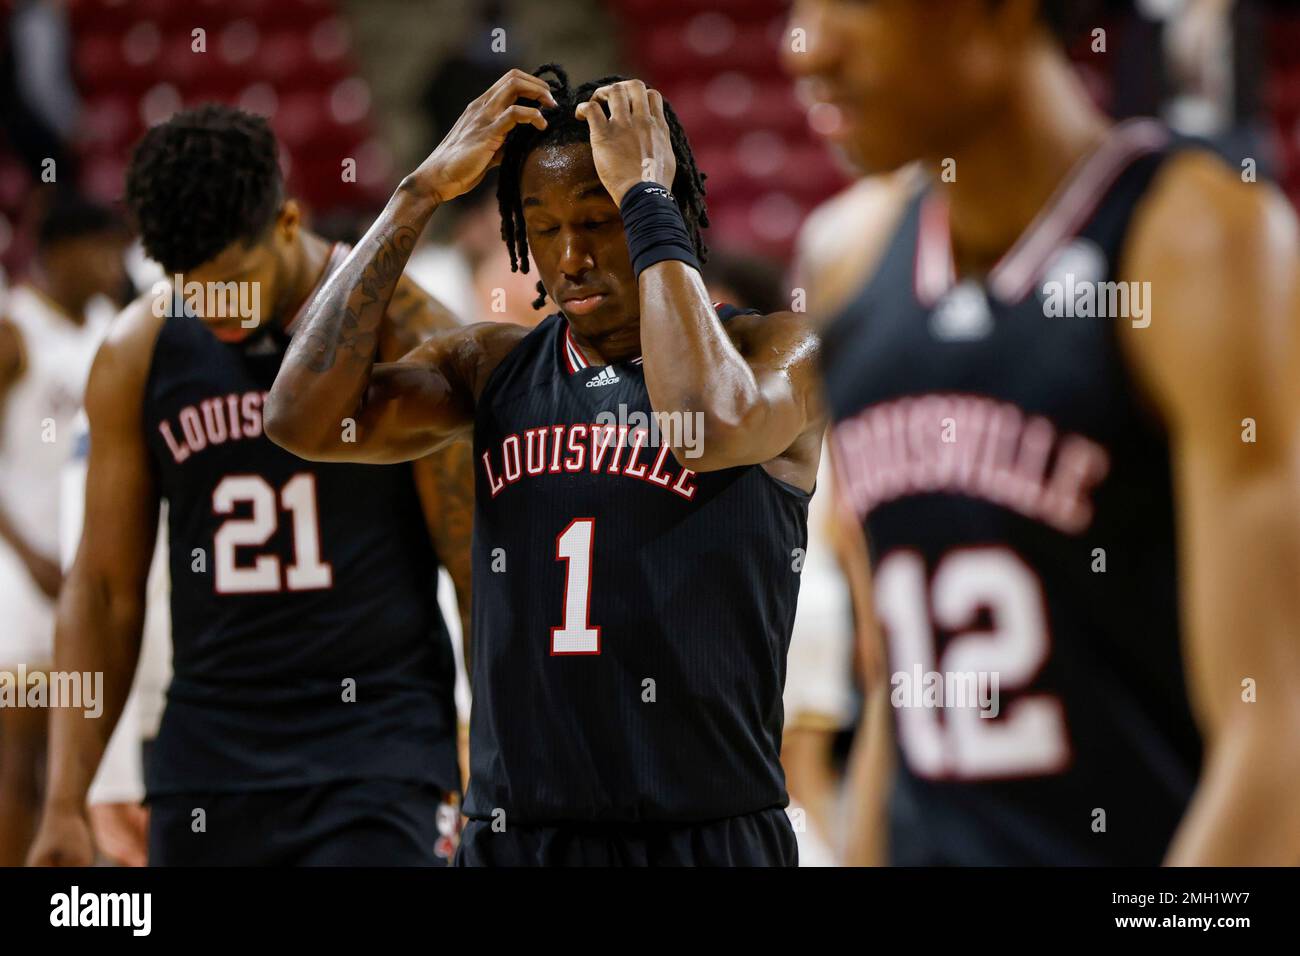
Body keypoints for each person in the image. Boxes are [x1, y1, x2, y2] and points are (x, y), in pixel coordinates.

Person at [263, 66, 826, 866]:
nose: (570, 257)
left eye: (599, 219)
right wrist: (417, 194)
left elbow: (706, 428)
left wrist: (650, 199)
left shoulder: (774, 351)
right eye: (543, 225)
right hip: (516, 834)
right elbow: (298, 418)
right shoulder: (490, 366)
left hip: (703, 831)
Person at [785, 0, 1300, 865]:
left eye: (855, 4)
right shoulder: (846, 262)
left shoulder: (1198, 243)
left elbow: (1278, 735)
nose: (809, 48)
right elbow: (896, 708)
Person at [27, 105, 473, 867]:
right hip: (208, 766)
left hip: (377, 756)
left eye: (233, 283)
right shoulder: (140, 349)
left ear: (290, 220)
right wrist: (66, 799)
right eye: (190, 289)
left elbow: (474, 567)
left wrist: (493, 753)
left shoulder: (403, 327)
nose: (214, 311)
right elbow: (103, 590)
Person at [0, 193, 125, 865]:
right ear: (53, 256)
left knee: (87, 760)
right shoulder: (16, 332)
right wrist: (28, 556)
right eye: (98, 251)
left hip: (92, 570)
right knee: (20, 762)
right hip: (21, 580)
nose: (112, 265)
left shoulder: (116, 327)